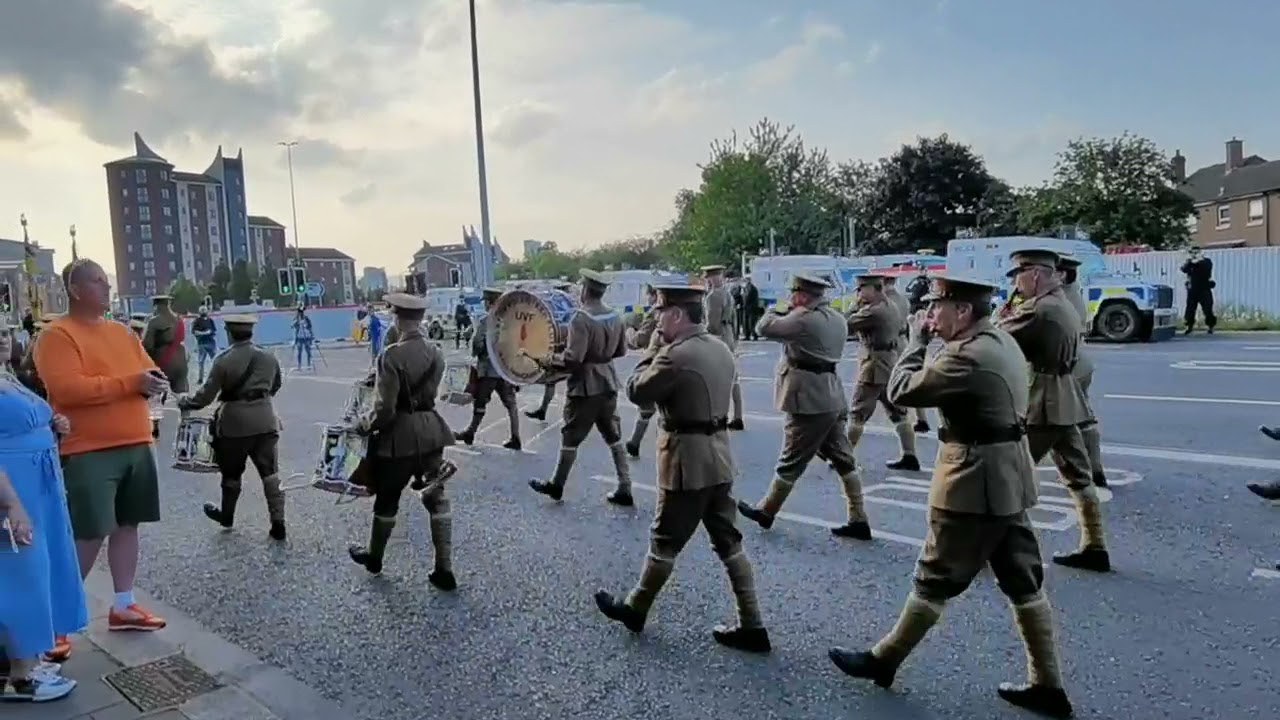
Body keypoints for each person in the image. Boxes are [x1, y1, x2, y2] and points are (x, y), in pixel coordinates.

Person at [829, 273, 1074, 720]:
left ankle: (885, 659)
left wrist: (917, 341)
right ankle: (1047, 683)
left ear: (963, 311)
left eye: (938, 306)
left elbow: (901, 390)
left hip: (972, 481)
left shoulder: (966, 356)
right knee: (1022, 577)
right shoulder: (999, 340)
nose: (929, 313)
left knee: (935, 574)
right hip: (1008, 477)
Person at [593, 284, 769, 653]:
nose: (657, 319)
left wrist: (653, 349)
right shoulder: (719, 347)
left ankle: (636, 607)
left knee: (664, 539)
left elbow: (637, 390)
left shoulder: (676, 355)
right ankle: (753, 623)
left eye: (660, 312)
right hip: (719, 456)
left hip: (686, 460)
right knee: (729, 540)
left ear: (676, 315)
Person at [32, 259, 170, 663]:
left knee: (129, 524)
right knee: (88, 532)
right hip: (89, 448)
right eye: (97, 281)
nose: (106, 287)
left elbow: (147, 369)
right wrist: (132, 384)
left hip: (137, 440)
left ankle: (123, 605)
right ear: (75, 289)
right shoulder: (56, 335)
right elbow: (67, 389)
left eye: (106, 280)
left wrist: (154, 380)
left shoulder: (122, 332)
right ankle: (56, 622)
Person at [997, 248, 1110, 574]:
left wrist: (1005, 311)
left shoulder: (1040, 309)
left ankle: (1001, 549)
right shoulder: (1063, 302)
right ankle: (1094, 543)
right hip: (1065, 398)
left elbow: (997, 337)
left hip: (1042, 401)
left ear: (1034, 274)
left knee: (1009, 474)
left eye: (1019, 275)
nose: (1016, 284)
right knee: (1078, 476)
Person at [736, 274, 872, 540]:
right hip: (831, 394)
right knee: (843, 458)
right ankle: (859, 517)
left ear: (802, 295)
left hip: (808, 397)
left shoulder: (804, 319)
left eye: (793, 293)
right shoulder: (835, 317)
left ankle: (767, 510)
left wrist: (779, 308)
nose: (791, 297)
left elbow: (764, 327)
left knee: (791, 458)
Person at [0, 329, 87, 702]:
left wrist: (53, 428)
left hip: (36, 485)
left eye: (2, 331)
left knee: (38, 569)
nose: (2, 338)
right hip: (13, 490)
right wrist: (11, 504)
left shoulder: (7, 375)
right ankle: (20, 677)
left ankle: (29, 658)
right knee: (20, 574)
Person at [347, 293, 457, 589]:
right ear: (421, 319)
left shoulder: (391, 356)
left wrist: (363, 425)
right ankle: (443, 569)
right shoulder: (436, 353)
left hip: (400, 437)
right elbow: (429, 393)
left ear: (396, 317)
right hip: (431, 429)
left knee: (387, 499)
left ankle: (375, 558)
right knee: (437, 497)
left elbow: (384, 410)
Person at [528, 269, 633, 506]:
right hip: (608, 381)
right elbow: (621, 351)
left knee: (571, 436)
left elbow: (573, 359)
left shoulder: (580, 318)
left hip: (585, 386)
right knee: (613, 434)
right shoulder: (615, 316)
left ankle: (557, 484)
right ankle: (625, 485)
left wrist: (547, 359)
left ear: (585, 290)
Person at [177, 315, 286, 540]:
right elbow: (276, 385)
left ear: (228, 332)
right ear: (251, 332)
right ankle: (278, 523)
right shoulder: (268, 357)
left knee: (232, 474)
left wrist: (187, 402)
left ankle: (227, 516)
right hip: (266, 420)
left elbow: (206, 396)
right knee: (270, 473)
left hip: (235, 425)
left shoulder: (224, 360)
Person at [844, 273, 920, 471]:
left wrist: (855, 304)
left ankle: (844, 457)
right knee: (898, 412)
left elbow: (846, 323)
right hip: (890, 362)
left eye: (862, 289)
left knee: (857, 412)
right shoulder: (891, 305)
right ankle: (910, 455)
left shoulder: (874, 311)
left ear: (874, 289)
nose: (859, 293)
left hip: (874, 365)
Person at [1058, 254, 1106, 488]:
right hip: (1080, 363)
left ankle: (1084, 474)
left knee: (1055, 422)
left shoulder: (1059, 299)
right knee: (1084, 417)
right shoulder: (1071, 293)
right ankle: (1094, 470)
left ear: (1061, 274)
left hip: (1066, 369)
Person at [454, 288, 521, 451]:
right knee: (511, 403)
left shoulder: (486, 321)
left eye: (485, 301)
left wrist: (475, 348)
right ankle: (516, 436)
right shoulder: (509, 320)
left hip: (489, 369)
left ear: (489, 302)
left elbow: (478, 345)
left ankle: (470, 433)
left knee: (480, 402)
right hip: (504, 369)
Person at [884, 271, 931, 433]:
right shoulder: (903, 299)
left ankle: (902, 414)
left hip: (891, 344)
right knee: (914, 380)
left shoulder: (887, 302)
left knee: (899, 381)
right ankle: (921, 418)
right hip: (904, 340)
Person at [525, 281, 576, 422]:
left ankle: (573, 415)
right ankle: (543, 410)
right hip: (556, 346)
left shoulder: (565, 305)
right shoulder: (565, 304)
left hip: (563, 348)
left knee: (571, 383)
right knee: (551, 382)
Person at [702, 265, 745, 431]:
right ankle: (738, 416)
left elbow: (712, 324)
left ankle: (716, 416)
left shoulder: (712, 296)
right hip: (729, 336)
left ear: (711, 278)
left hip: (717, 338)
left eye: (708, 278)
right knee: (734, 378)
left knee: (713, 378)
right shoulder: (728, 294)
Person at [623, 286, 662, 457]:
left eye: (649, 295)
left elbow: (640, 340)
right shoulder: (680, 310)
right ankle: (634, 442)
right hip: (678, 360)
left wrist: (630, 330)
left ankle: (635, 442)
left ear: (655, 295)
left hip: (656, 361)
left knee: (646, 405)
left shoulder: (655, 313)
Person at [141, 295, 188, 395]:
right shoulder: (179, 320)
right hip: (181, 360)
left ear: (156, 306)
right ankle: (185, 410)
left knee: (156, 396)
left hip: (163, 362)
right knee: (181, 394)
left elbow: (147, 345)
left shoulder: (154, 322)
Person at [1180, 247, 1216, 335]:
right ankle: (1189, 325)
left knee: (1207, 308)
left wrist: (1197, 261)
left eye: (1196, 252)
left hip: (1204, 289)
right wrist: (1189, 261)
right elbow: (1183, 269)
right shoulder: (1190, 263)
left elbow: (1206, 268)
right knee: (1190, 309)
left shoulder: (1206, 262)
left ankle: (1210, 326)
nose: (1194, 254)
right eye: (1193, 253)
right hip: (1192, 290)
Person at [191, 309, 217, 384]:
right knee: (201, 362)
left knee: (215, 361)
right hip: (202, 343)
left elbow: (213, 330)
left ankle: (214, 377)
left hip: (210, 343)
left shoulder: (210, 320)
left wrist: (202, 333)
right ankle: (201, 379)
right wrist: (205, 333)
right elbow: (194, 332)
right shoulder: (197, 321)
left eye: (204, 311)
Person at [740, 276, 761, 341]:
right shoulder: (745, 288)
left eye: (745, 280)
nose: (743, 282)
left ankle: (755, 335)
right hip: (746, 308)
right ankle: (747, 335)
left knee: (751, 323)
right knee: (746, 323)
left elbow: (749, 298)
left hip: (752, 308)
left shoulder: (752, 288)